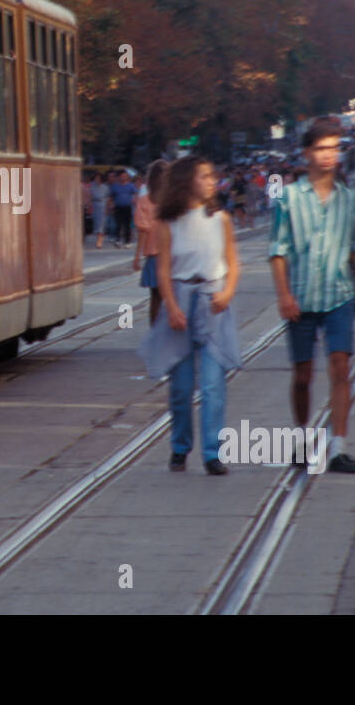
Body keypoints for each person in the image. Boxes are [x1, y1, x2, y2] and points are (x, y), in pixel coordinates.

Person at [269, 116, 355, 473]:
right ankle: (302, 439)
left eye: (334, 148)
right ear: (307, 153)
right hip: (301, 298)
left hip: (339, 296)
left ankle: (338, 448)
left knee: (341, 367)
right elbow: (277, 251)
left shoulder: (348, 199)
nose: (329, 155)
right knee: (302, 375)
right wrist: (284, 295)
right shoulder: (287, 198)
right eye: (321, 149)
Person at [139, 155, 242, 474]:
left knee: (213, 384)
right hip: (182, 299)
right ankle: (180, 446)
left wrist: (227, 292)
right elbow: (164, 269)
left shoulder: (221, 219)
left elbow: (233, 262)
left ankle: (213, 453)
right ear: (187, 181)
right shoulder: (168, 224)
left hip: (213, 299)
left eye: (213, 176)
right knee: (181, 386)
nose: (212, 181)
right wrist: (170, 306)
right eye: (204, 176)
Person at [133, 160, 168, 327]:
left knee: (155, 296)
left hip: (153, 254)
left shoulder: (143, 201)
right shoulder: (174, 200)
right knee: (174, 296)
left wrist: (137, 257)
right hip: (173, 254)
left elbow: (142, 229)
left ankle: (155, 332)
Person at [110, 170, 137, 247]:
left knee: (127, 224)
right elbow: (111, 197)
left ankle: (127, 241)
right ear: (119, 177)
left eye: (125, 176)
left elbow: (135, 194)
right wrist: (110, 206)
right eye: (122, 176)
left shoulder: (131, 186)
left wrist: (134, 200)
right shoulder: (115, 186)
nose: (124, 177)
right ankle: (118, 240)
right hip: (118, 207)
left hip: (127, 207)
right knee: (118, 224)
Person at [90, 172, 110, 249]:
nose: (97, 179)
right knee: (96, 223)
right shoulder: (92, 187)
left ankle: (99, 241)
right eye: (96, 178)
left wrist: (107, 208)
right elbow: (90, 197)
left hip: (102, 205)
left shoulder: (105, 187)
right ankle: (99, 237)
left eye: (98, 178)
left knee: (101, 223)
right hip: (95, 205)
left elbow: (107, 198)